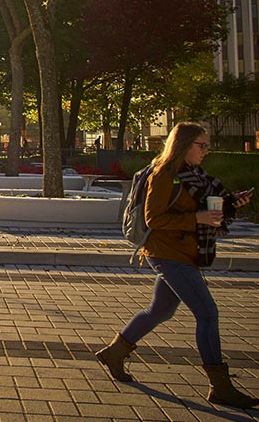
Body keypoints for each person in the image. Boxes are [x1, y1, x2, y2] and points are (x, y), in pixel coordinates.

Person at [96, 122, 256, 408]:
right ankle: (220, 387)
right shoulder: (164, 175)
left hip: (185, 252)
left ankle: (114, 353)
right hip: (166, 253)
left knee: (160, 310)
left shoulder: (194, 175)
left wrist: (230, 204)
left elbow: (202, 207)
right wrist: (197, 220)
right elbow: (153, 219)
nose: (206, 151)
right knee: (207, 314)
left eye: (207, 145)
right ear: (183, 145)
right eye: (202, 145)